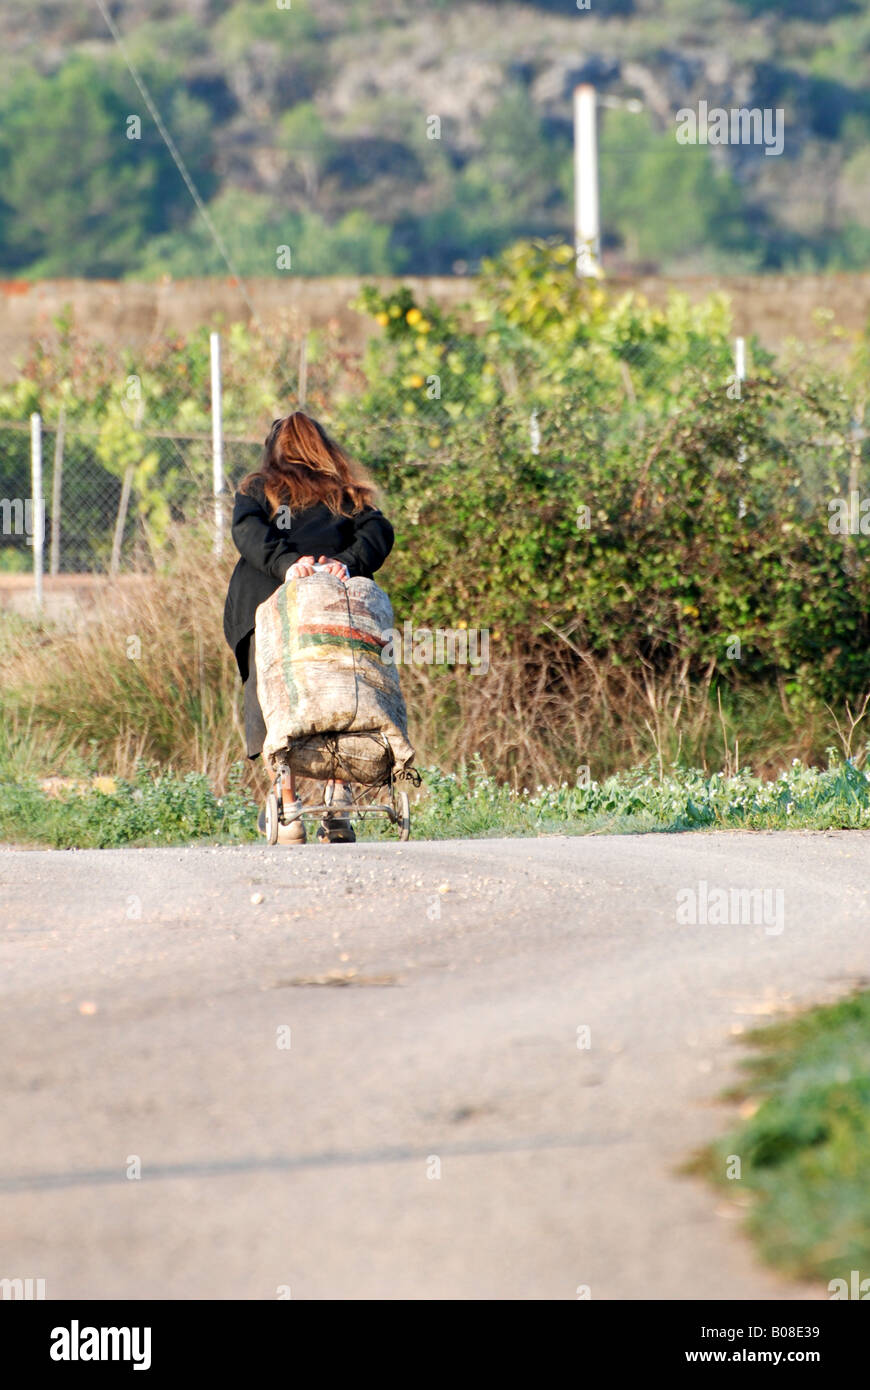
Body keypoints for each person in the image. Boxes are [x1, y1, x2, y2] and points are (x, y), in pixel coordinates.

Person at [223, 412, 394, 843]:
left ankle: (288, 804)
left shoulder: (258, 488)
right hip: (338, 607)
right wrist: (347, 563)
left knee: (272, 691)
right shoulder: (348, 493)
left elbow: (246, 532)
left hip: (266, 598)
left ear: (273, 450)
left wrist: (286, 565)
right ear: (324, 446)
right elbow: (379, 531)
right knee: (345, 687)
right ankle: (338, 799)